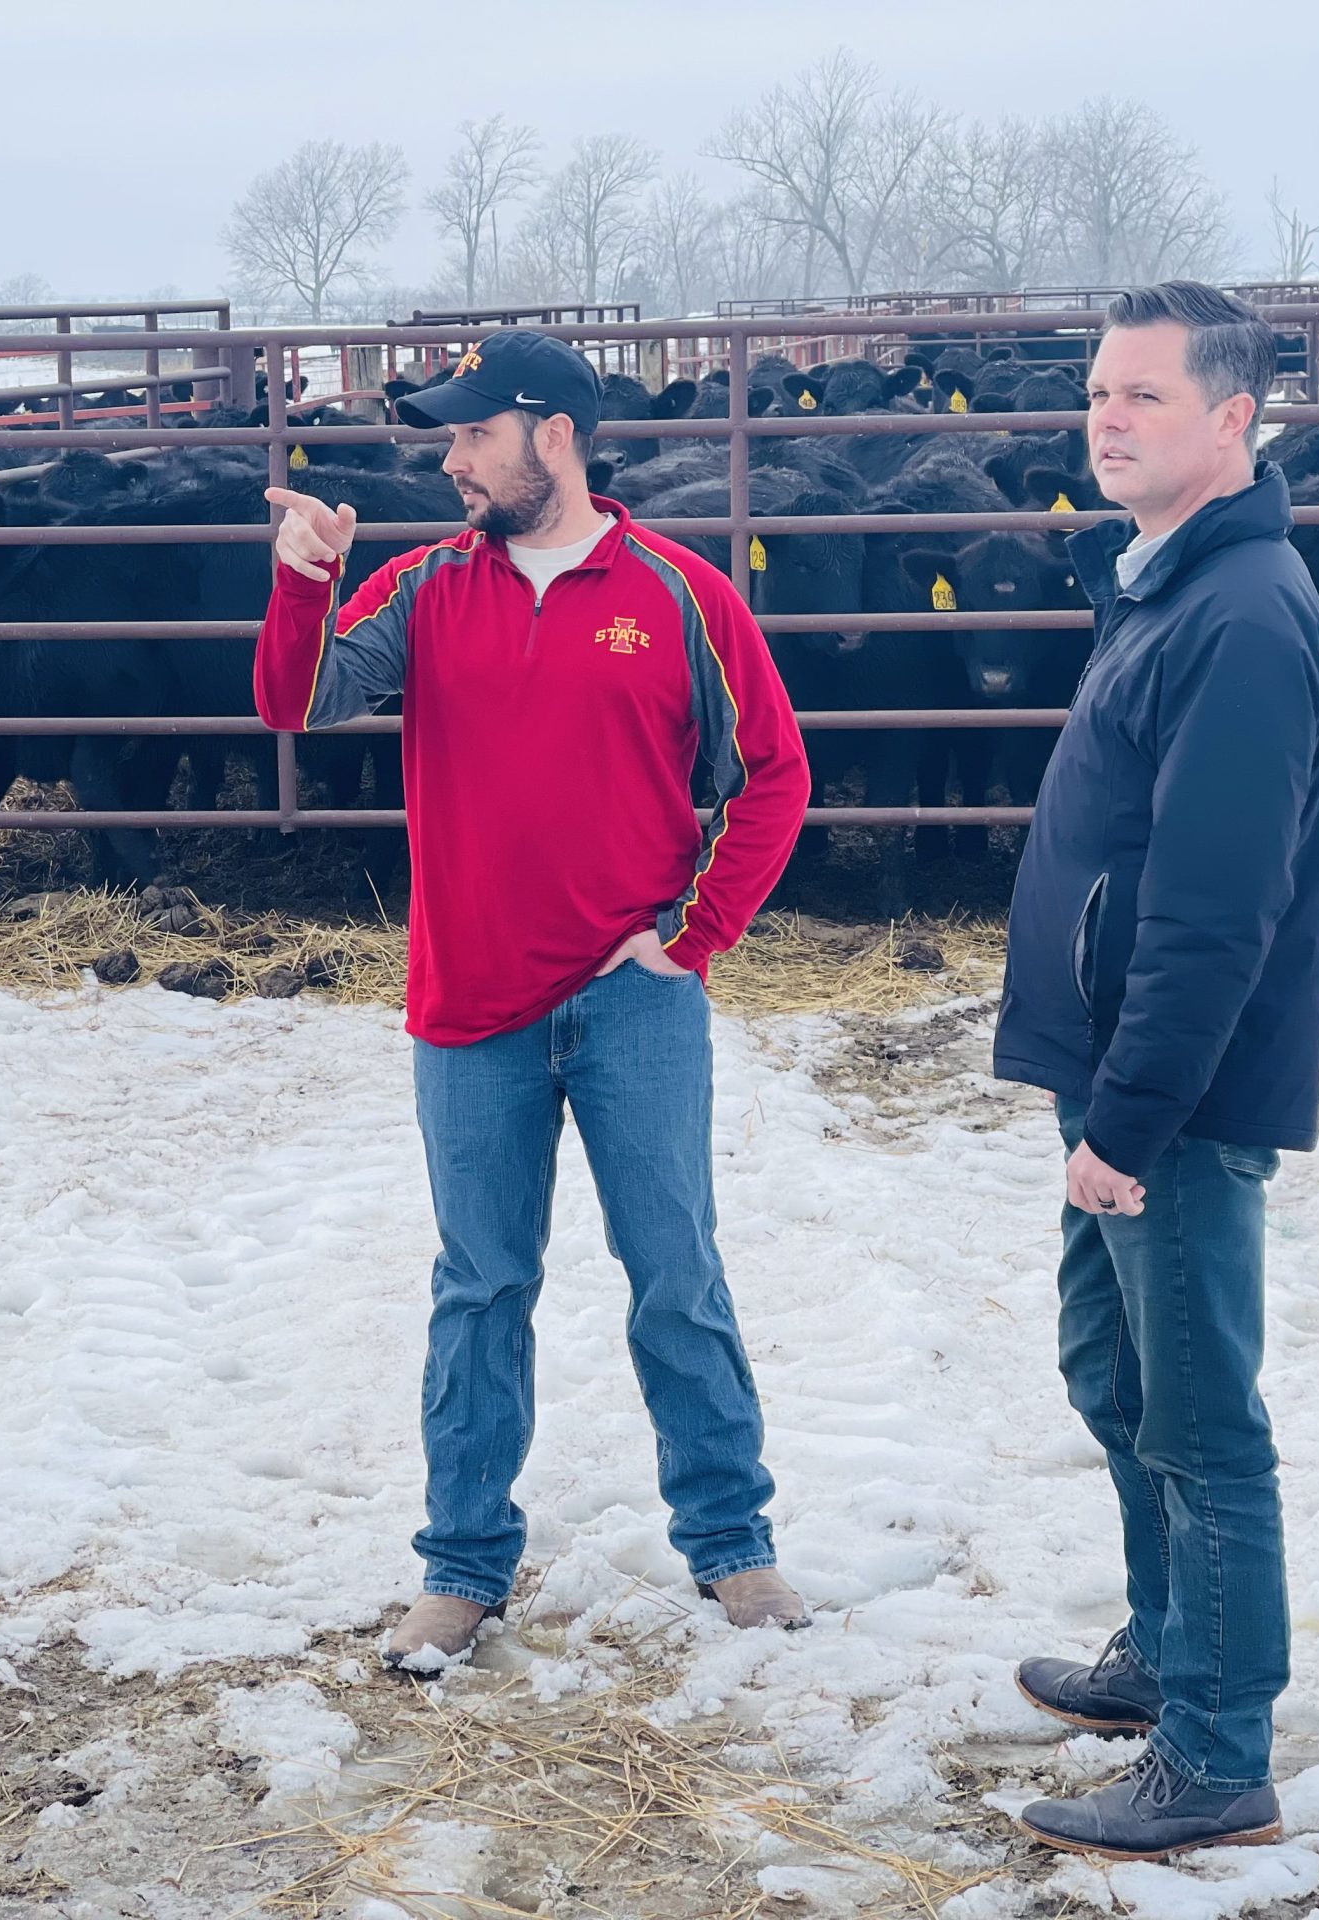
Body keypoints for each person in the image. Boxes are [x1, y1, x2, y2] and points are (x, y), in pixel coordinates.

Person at [254, 329, 814, 1668]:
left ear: (551, 435)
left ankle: (732, 1542)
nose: (451, 462)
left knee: (675, 1271)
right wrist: (304, 584)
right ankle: (461, 1565)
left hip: (634, 1003)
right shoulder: (424, 588)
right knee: (482, 1285)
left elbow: (773, 775)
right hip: (472, 1000)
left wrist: (692, 936)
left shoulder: (679, 593)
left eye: (472, 434)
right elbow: (298, 705)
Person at [993, 282, 1319, 1858]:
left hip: (1174, 1099)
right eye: (1098, 393)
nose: (1108, 419)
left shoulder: (1241, 617)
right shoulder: (1167, 582)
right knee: (1117, 1378)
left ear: (1234, 418)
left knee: (1202, 1422)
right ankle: (1163, 1653)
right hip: (1121, 1068)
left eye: (1145, 395)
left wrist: (1132, 1117)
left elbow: (1213, 912)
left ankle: (1215, 1754)